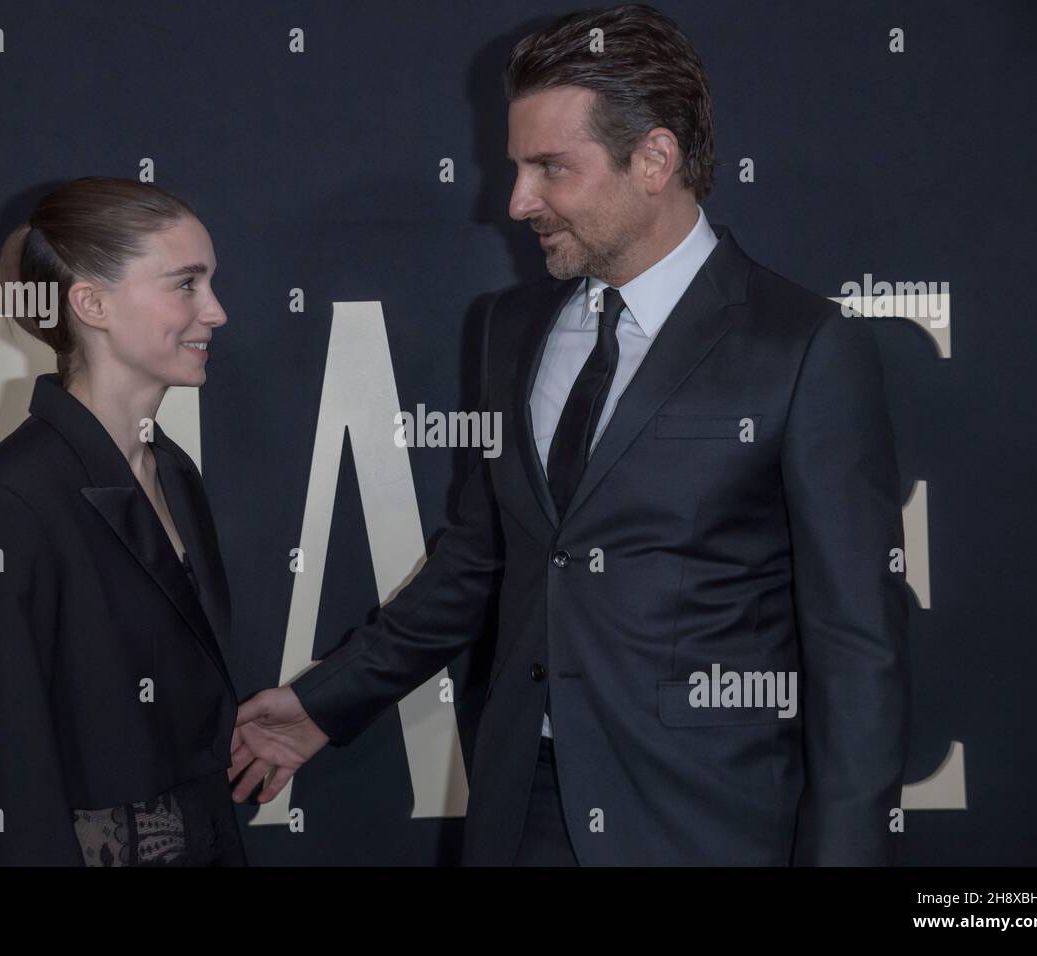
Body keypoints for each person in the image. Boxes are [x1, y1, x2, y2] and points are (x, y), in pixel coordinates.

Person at [229, 5, 910, 866]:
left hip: (707, 821)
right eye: (517, 167)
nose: (517, 201)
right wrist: (327, 702)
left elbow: (858, 650)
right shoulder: (510, 329)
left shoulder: (803, 344)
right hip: (522, 811)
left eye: (551, 167)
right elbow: (481, 560)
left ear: (655, 159)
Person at [0, 176, 247, 865]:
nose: (217, 311)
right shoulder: (5, 500)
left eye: (211, 283)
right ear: (92, 303)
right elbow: (8, 782)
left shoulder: (174, 473)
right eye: (186, 284)